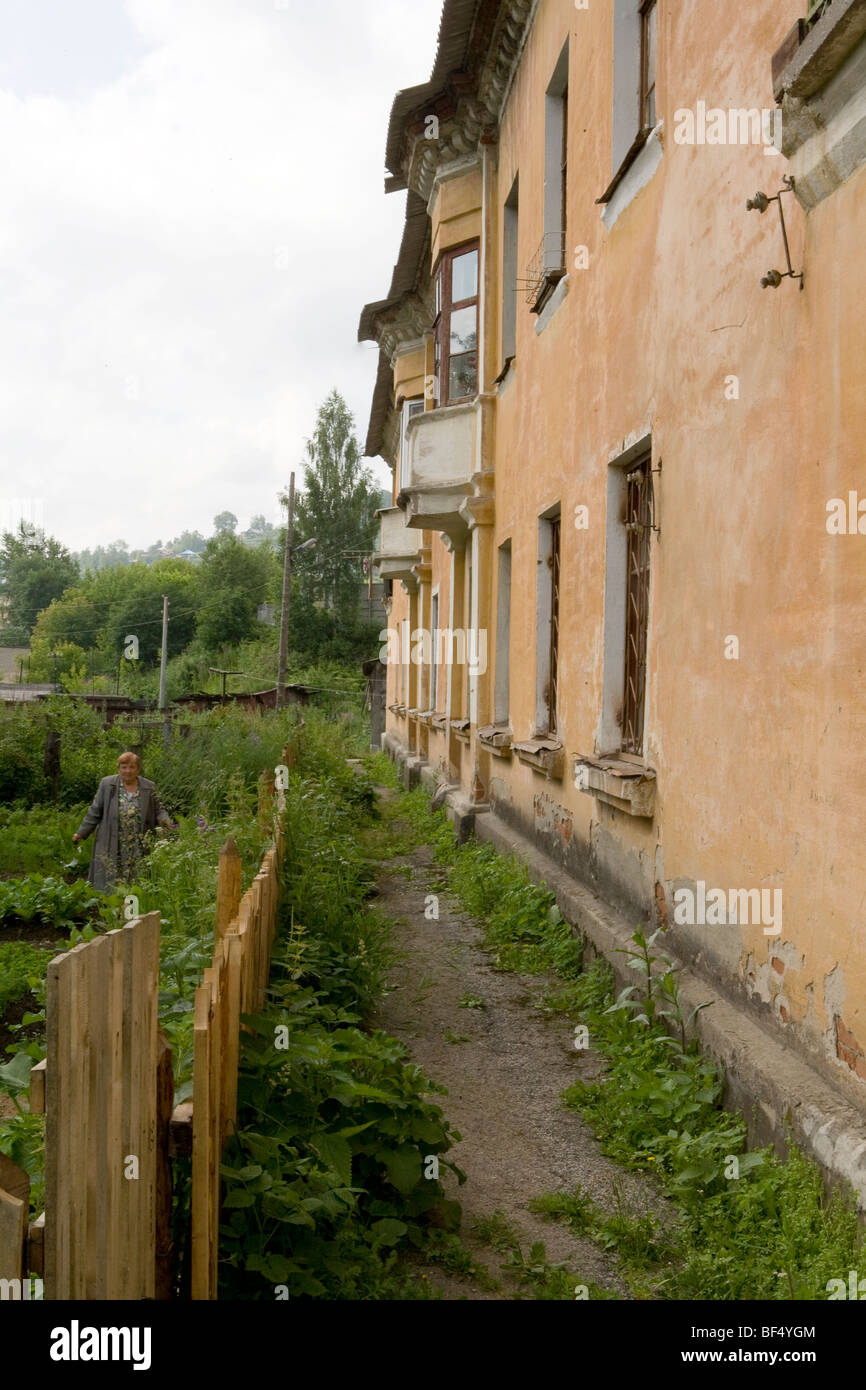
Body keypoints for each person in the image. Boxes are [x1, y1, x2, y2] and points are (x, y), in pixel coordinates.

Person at [73, 751, 172, 890]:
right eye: (124, 767)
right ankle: (111, 904)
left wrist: (165, 821)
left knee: (138, 877)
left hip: (138, 842)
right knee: (111, 874)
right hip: (112, 839)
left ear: (138, 769)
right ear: (118, 768)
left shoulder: (148, 787)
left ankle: (135, 902)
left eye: (132, 767)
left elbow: (159, 809)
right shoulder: (107, 784)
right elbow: (95, 810)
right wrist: (81, 833)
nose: (128, 771)